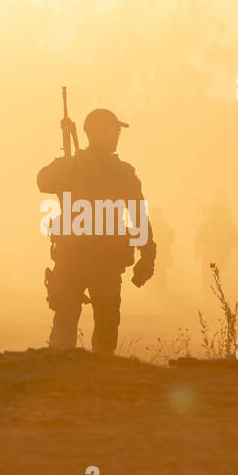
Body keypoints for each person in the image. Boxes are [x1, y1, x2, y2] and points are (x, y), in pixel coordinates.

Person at [38, 108, 155, 354]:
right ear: (102, 133)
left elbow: (43, 181)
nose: (118, 136)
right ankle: (101, 378)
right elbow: (138, 218)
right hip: (105, 261)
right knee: (106, 322)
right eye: (115, 131)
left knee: (66, 321)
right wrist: (147, 257)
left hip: (72, 258)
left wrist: (66, 162)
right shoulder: (123, 172)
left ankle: (61, 374)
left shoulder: (71, 167)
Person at [195, 190, 238, 288]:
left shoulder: (223, 222)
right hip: (214, 250)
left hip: (217, 250)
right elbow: (199, 236)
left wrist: (233, 241)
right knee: (213, 268)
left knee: (214, 268)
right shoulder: (211, 222)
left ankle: (210, 287)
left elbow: (199, 236)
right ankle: (209, 287)